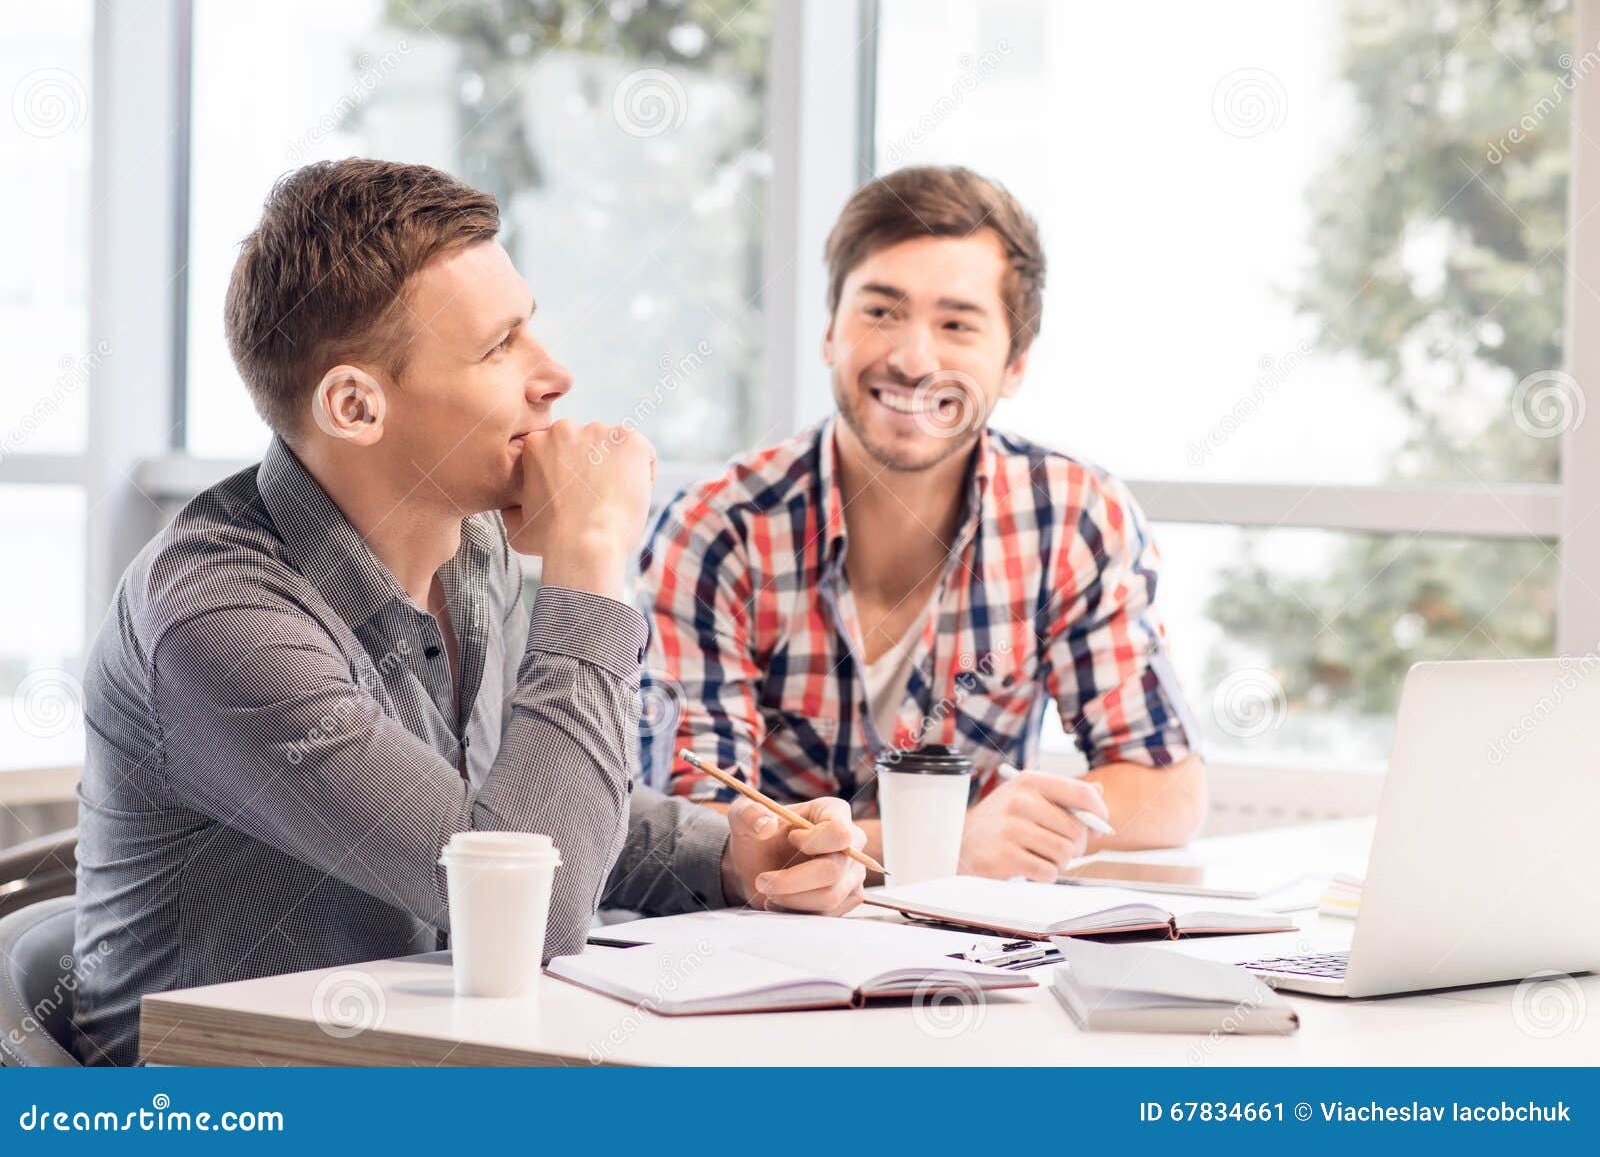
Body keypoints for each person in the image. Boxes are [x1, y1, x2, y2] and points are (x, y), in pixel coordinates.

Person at [72, 159, 866, 1066]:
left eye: (530, 329)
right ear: (355, 405)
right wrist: (589, 560)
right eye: (499, 349)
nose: (554, 376)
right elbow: (530, 908)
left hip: (423, 1060)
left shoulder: (472, 546)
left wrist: (729, 856)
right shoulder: (217, 621)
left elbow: (513, 817)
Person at [639, 166, 1206, 883]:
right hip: (759, 931)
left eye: (957, 324)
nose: (913, 359)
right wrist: (945, 843)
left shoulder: (1070, 518)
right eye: (881, 311)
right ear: (830, 333)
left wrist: (1022, 833)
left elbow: (1166, 784)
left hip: (973, 939)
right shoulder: (717, 531)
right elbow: (697, 827)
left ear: (1015, 365)